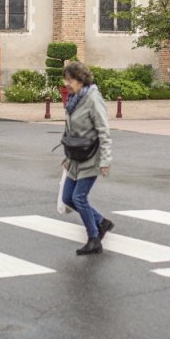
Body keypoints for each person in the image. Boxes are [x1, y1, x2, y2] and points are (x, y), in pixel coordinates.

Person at [59, 61, 113, 255]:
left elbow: (104, 131)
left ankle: (94, 239)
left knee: (79, 197)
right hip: (75, 156)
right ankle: (101, 221)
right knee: (67, 197)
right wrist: (67, 156)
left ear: (81, 79)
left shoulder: (93, 99)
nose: (66, 84)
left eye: (69, 80)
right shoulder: (73, 99)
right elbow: (70, 130)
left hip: (91, 156)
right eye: (65, 80)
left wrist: (105, 160)